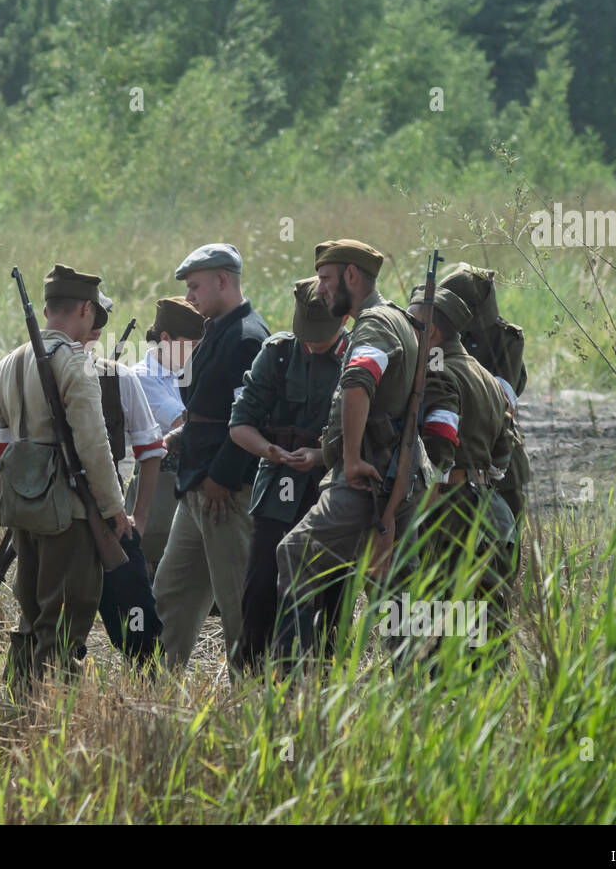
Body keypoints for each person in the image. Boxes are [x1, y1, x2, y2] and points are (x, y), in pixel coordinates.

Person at [0, 265, 133, 689]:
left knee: (33, 616)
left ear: (47, 309)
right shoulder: (77, 363)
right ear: (86, 309)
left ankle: (18, 707)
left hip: (22, 512)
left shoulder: (5, 364)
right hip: (70, 512)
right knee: (64, 620)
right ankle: (54, 724)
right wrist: (114, 508)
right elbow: (94, 446)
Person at [274, 239, 424, 665]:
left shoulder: (374, 323)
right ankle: (411, 683)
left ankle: (290, 687)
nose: (320, 290)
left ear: (351, 277)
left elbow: (359, 380)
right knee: (394, 584)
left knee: (293, 555)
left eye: (325, 279)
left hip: (366, 478)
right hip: (396, 474)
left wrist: (352, 457)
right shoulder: (399, 318)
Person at [153, 243, 269, 668]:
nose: (190, 297)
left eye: (195, 286)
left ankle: (253, 695)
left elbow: (250, 420)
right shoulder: (218, 330)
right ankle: (160, 690)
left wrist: (222, 477)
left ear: (223, 280)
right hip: (198, 488)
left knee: (237, 602)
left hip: (226, 492)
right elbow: (208, 412)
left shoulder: (248, 338)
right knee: (171, 590)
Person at [229, 278, 350, 672]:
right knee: (262, 584)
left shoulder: (360, 357)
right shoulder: (278, 354)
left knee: (333, 590)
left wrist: (321, 455)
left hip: (334, 488)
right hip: (279, 486)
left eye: (323, 335)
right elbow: (240, 424)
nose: (313, 344)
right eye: (308, 335)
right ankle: (251, 676)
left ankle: (321, 680)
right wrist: (269, 450)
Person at [403, 287, 516, 662]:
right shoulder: (486, 376)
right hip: (488, 507)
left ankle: (439, 698)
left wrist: (426, 499)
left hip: (449, 507)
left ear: (432, 331)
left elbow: (439, 443)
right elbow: (504, 449)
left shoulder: (439, 373)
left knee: (438, 607)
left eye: (413, 324)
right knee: (486, 614)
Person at [87, 292, 166, 661]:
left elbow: (150, 450)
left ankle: (143, 679)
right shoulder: (27, 368)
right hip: (55, 520)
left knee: (136, 616)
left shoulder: (117, 377)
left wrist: (141, 518)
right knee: (56, 623)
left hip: (111, 516)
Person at [436, 263, 530, 522]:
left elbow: (502, 402)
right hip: (450, 450)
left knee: (504, 541)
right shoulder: (441, 334)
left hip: (496, 452)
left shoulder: (507, 339)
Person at [128, 296, 203, 574]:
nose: (197, 352)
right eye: (192, 346)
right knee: (154, 559)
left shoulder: (188, 372)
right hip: (159, 484)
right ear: (166, 338)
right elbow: (181, 422)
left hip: (188, 479)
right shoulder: (142, 377)